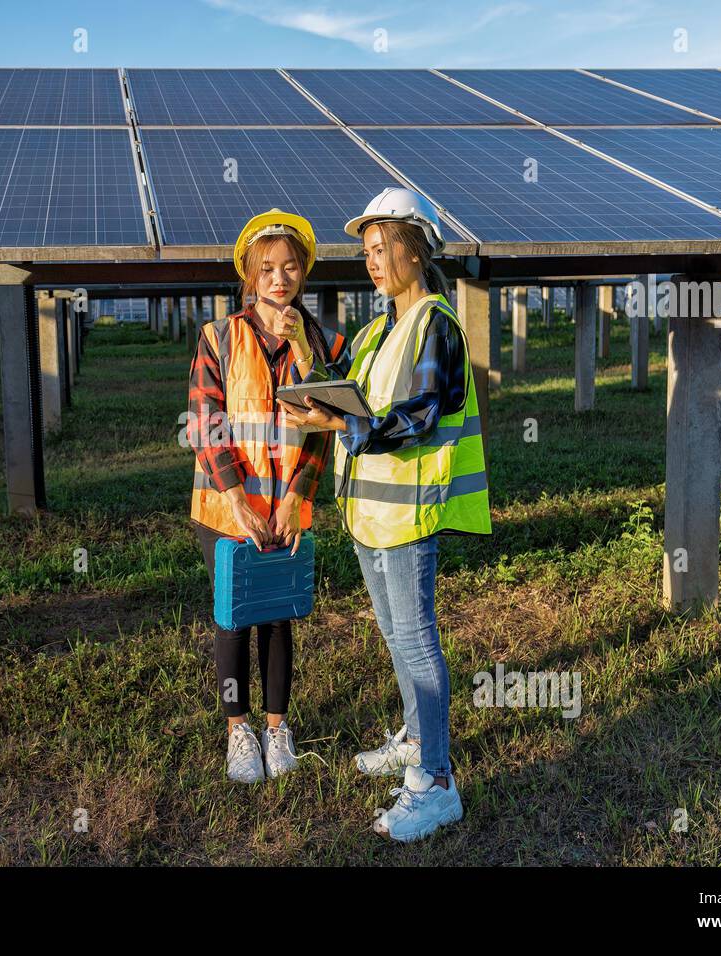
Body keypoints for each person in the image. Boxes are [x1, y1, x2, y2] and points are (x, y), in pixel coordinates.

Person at [281, 187, 491, 841]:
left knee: (418, 641)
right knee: (397, 638)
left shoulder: (435, 325)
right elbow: (345, 381)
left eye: (383, 248)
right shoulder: (379, 329)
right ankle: (414, 739)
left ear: (414, 249)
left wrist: (341, 420)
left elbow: (418, 414)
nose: (373, 261)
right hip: (369, 515)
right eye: (366, 251)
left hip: (407, 514)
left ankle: (435, 782)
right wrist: (311, 373)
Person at [187, 209, 346, 784]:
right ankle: (238, 731)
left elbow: (326, 424)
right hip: (226, 507)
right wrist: (237, 500)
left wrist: (292, 499)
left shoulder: (325, 342)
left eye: (290, 268)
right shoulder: (219, 337)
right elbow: (206, 423)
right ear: (250, 274)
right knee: (234, 618)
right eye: (267, 269)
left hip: (286, 506)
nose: (279, 279)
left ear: (303, 272)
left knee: (277, 618)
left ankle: (277, 728)